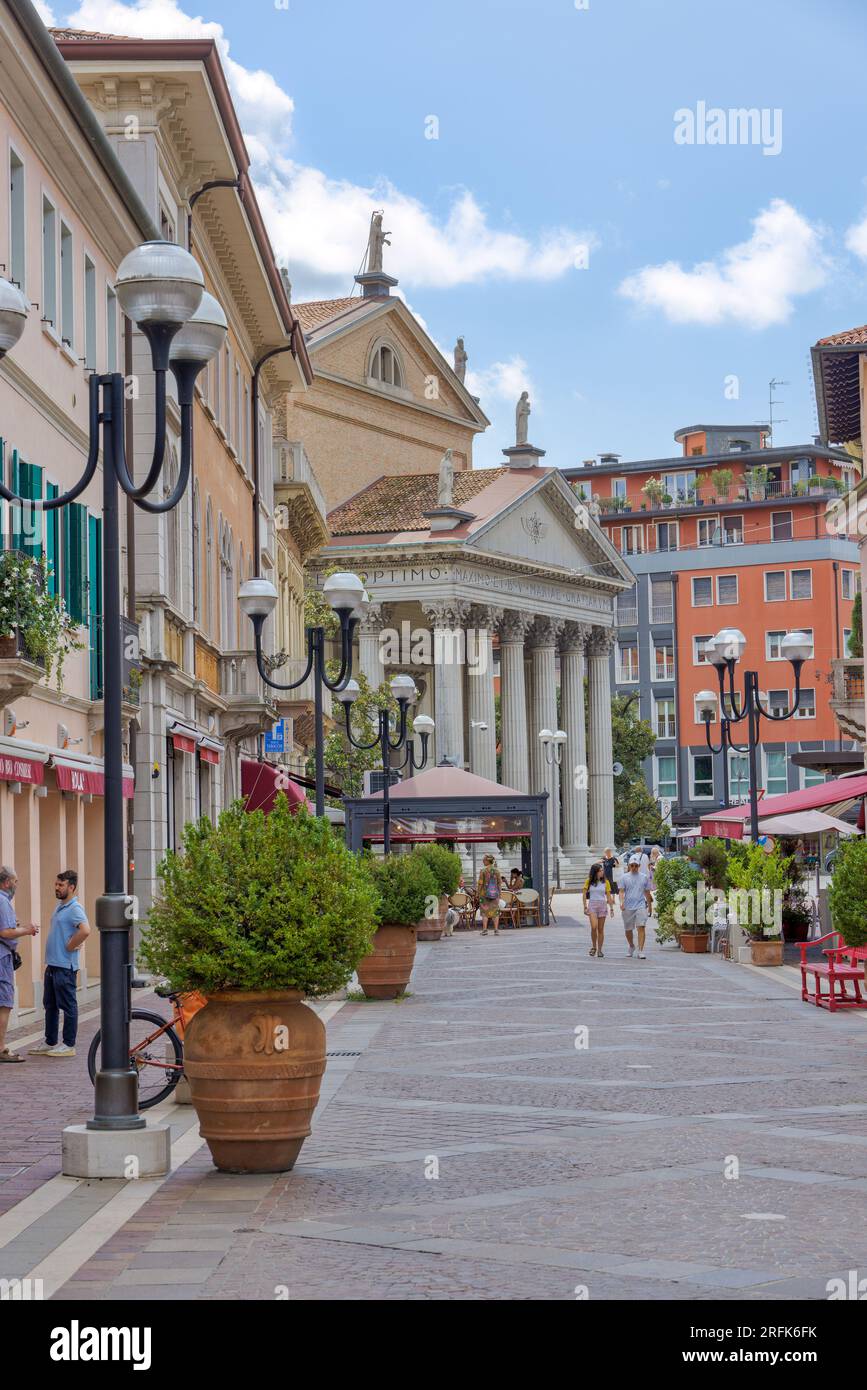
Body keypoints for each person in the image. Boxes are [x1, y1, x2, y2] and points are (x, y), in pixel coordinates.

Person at [29, 870, 90, 1058]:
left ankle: (69, 1044)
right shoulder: (60, 906)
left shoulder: (74, 908)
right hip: (53, 965)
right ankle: (50, 1041)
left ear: (71, 887)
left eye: (60, 885)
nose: (56, 888)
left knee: (68, 1005)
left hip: (65, 966)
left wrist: (71, 945)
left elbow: (85, 930)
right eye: (56, 884)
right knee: (50, 1005)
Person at [0, 866, 39, 1063]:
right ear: (7, 882)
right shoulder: (2, 901)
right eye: (15, 881)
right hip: (1, 959)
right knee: (4, 1003)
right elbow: (5, 932)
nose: (17, 885)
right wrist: (26, 930)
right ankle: (0, 1048)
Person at [619, 853, 653, 959]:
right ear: (629, 865)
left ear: (639, 866)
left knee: (641, 927)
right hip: (628, 906)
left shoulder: (644, 877)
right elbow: (621, 891)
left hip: (641, 905)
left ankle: (641, 950)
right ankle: (631, 946)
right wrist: (621, 902)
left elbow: (647, 892)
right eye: (632, 865)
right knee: (628, 929)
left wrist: (650, 907)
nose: (634, 867)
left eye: (636, 865)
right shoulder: (624, 877)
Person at [583, 861, 614, 958]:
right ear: (595, 872)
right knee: (594, 927)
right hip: (592, 905)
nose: (602, 872)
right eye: (600, 871)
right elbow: (584, 894)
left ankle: (600, 950)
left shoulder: (606, 882)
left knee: (600, 929)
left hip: (602, 905)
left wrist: (611, 908)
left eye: (602, 871)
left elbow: (608, 896)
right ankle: (593, 947)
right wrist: (585, 906)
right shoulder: (588, 881)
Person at [477, 854, 504, 936]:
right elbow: (499, 883)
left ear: (487, 861)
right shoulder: (497, 871)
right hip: (495, 894)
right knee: (495, 912)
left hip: (484, 894)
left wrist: (478, 893)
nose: (482, 861)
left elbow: (480, 883)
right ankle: (496, 930)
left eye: (483, 860)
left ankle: (485, 930)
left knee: (484, 912)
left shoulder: (483, 871)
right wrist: (500, 894)